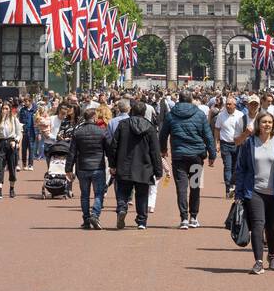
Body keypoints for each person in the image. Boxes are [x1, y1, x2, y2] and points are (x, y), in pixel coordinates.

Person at [235, 111, 274, 274]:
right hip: (254, 190)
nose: (267, 125)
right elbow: (241, 168)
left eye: (269, 122)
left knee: (272, 227)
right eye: (263, 122)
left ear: (273, 125)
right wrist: (239, 193)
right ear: (258, 125)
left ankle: (272, 256)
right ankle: (258, 262)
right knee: (258, 225)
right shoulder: (249, 143)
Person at [159, 91, 217, 229]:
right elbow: (208, 136)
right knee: (195, 186)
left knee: (181, 188)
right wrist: (212, 154)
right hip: (196, 156)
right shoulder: (200, 115)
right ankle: (194, 217)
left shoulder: (171, 115)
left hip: (179, 156)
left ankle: (184, 218)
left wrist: (163, 150)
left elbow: (162, 135)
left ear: (179, 99)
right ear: (191, 99)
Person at [107, 100, 163, 230]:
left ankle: (122, 208)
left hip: (124, 164)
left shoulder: (122, 125)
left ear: (132, 111)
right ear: (144, 113)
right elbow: (155, 151)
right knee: (142, 194)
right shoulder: (150, 128)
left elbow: (113, 146)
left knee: (123, 191)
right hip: (144, 166)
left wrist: (112, 164)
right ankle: (142, 221)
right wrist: (158, 170)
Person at [67, 105, 110, 228]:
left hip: (83, 167)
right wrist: (113, 164)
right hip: (98, 167)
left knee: (84, 194)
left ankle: (86, 219)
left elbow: (72, 152)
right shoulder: (102, 132)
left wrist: (68, 169)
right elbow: (109, 150)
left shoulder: (78, 132)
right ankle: (95, 215)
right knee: (98, 193)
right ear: (94, 117)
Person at [215, 95, 250, 197]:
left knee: (236, 167)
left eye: (230, 104)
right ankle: (228, 189)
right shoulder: (221, 115)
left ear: (235, 105)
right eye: (227, 104)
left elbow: (244, 130)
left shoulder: (240, 115)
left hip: (238, 145)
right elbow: (217, 129)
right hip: (225, 144)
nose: (228, 106)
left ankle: (234, 187)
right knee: (227, 167)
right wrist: (216, 143)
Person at [0, 101, 22, 199]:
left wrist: (15, 141)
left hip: (11, 143)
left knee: (12, 167)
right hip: (1, 144)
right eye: (3, 108)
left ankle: (12, 188)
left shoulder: (14, 119)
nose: (4, 110)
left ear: (9, 110)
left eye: (6, 109)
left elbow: (19, 133)